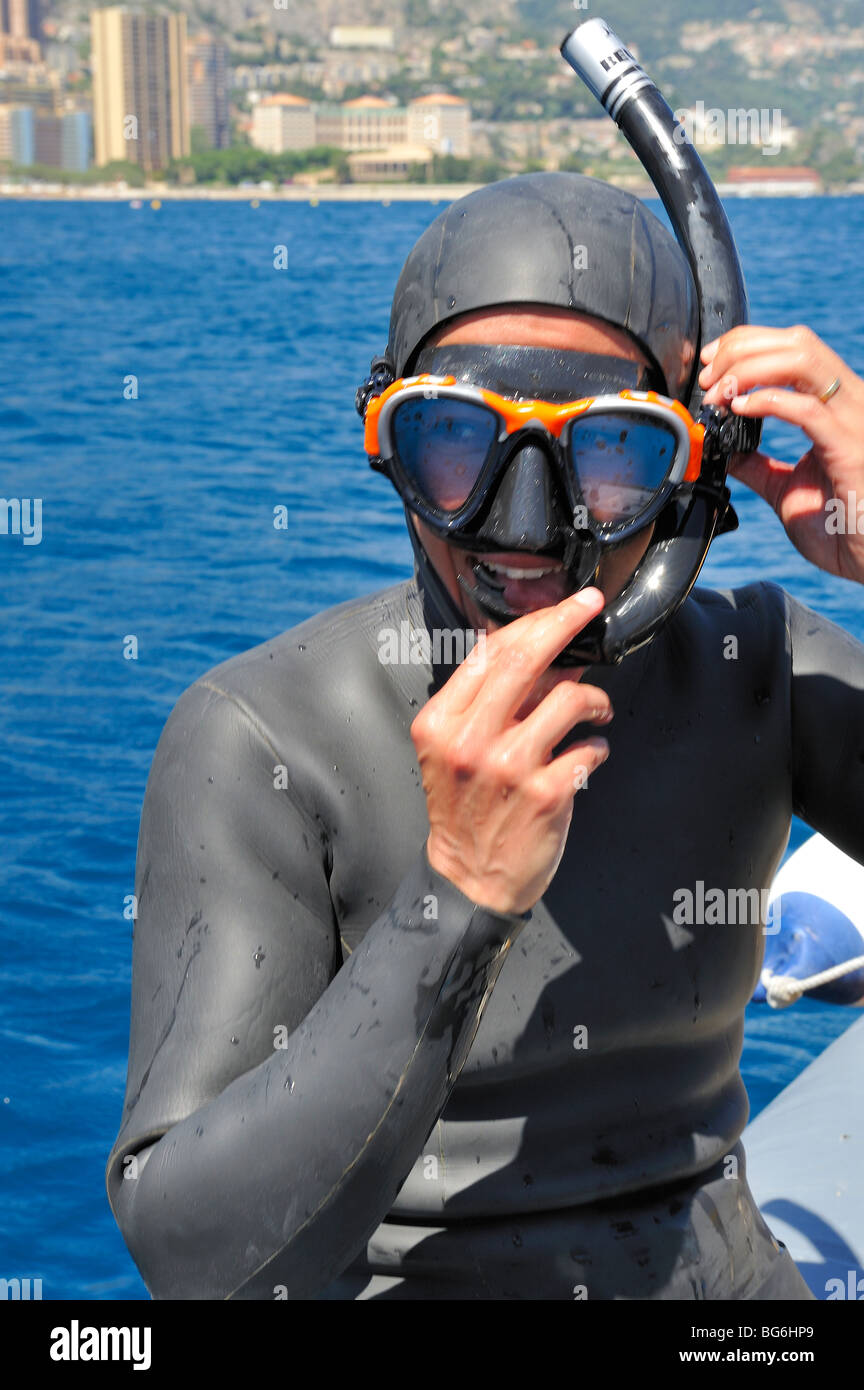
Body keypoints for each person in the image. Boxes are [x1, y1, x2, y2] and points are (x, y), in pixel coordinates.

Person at [105, 170, 864, 1301]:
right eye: (453, 440)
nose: (520, 531)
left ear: (690, 471)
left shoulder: (759, 672)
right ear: (385, 443)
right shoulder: (266, 736)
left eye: (609, 454)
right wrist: (457, 894)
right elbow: (201, 1266)